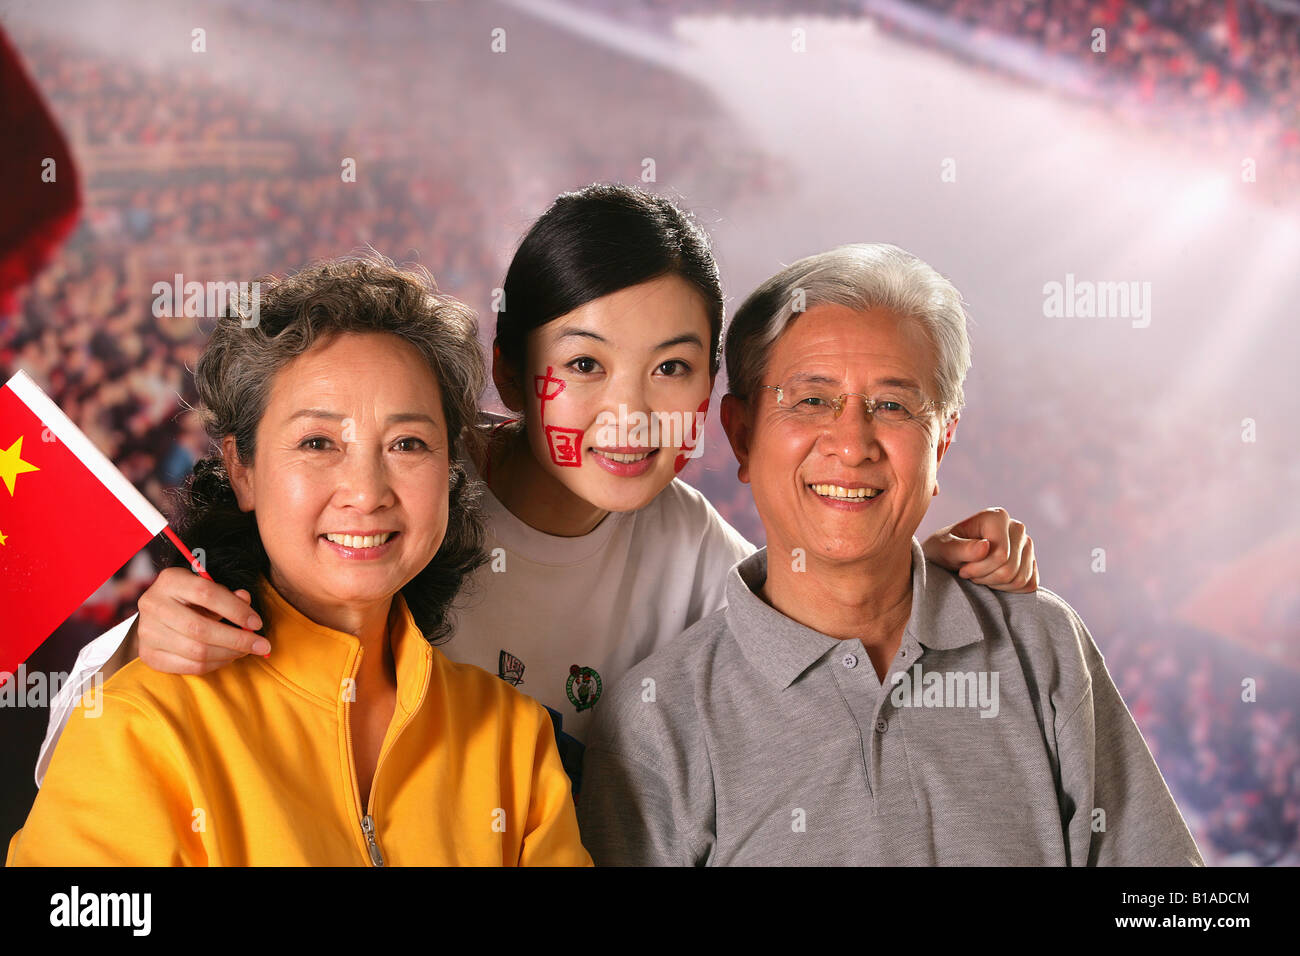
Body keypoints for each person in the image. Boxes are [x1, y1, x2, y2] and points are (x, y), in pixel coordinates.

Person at [36, 185, 1039, 796]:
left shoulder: (691, 550)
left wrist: (924, 568)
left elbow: (821, 626)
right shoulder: (384, 491)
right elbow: (87, 744)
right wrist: (146, 638)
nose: (631, 412)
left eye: (674, 367)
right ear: (512, 375)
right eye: (587, 365)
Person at [577, 243, 1204, 866]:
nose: (852, 444)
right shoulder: (659, 721)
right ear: (741, 433)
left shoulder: (1041, 650)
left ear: (943, 439)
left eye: (893, 406)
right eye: (813, 400)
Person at [8, 256, 590, 865]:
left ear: (450, 470)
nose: (366, 492)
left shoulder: (514, 740)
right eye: (318, 443)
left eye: (408, 443)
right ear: (242, 469)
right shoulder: (142, 725)